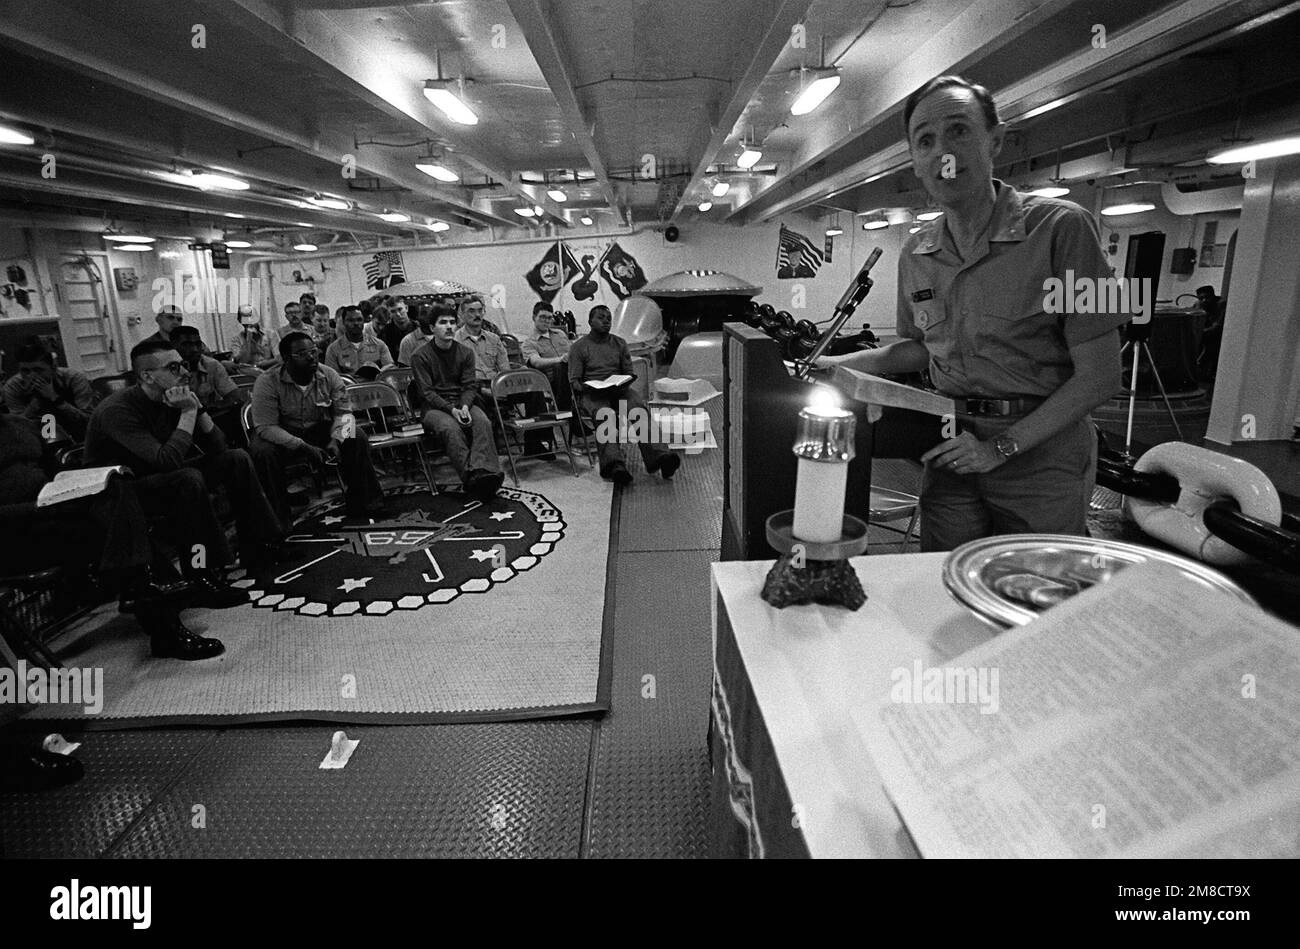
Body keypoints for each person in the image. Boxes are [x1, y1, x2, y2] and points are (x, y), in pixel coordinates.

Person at [819, 74, 1125, 551]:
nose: (943, 152)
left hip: (1041, 461)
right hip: (950, 448)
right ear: (916, 164)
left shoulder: (1066, 230)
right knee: (944, 580)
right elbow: (919, 349)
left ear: (995, 140)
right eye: (925, 141)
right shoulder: (916, 253)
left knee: (1030, 598)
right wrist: (837, 366)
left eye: (958, 131)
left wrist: (1000, 448)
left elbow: (1102, 376)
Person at [0, 413, 222, 661]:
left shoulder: (21, 424)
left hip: (53, 512)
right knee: (115, 525)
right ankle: (154, 601)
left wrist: (74, 482)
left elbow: (56, 468)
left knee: (115, 489)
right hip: (15, 534)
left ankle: (148, 598)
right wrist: (40, 507)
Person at [84, 339, 283, 600]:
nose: (186, 373)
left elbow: (219, 449)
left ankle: (259, 543)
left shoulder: (174, 397)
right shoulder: (118, 410)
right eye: (174, 368)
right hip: (123, 493)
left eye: (184, 365)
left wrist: (197, 409)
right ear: (147, 376)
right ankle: (201, 574)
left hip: (162, 476)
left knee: (236, 459)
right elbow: (166, 461)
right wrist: (188, 413)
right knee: (188, 479)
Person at [248, 331, 385, 522]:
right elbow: (266, 427)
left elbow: (344, 414)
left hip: (317, 427)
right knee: (263, 451)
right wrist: (303, 446)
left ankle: (367, 502)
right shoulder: (267, 381)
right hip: (281, 431)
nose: (312, 357)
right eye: (303, 354)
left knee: (356, 435)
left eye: (313, 351)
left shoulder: (329, 375)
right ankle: (278, 518)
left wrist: (336, 440)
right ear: (286, 359)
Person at [569, 304, 680, 484]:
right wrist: (592, 386)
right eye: (601, 318)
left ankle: (661, 457)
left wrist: (623, 381)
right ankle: (614, 466)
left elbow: (628, 371)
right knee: (607, 415)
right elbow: (574, 381)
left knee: (638, 408)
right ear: (590, 322)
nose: (606, 321)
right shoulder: (579, 347)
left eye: (608, 318)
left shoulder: (619, 343)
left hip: (619, 390)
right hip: (593, 394)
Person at [410, 308, 505, 499]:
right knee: (450, 428)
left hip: (463, 402)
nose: (449, 327)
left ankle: (483, 471)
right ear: (432, 327)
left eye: (452, 322)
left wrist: (463, 406)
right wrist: (451, 410)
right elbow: (426, 392)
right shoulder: (420, 356)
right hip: (435, 407)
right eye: (443, 322)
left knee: (483, 422)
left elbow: (470, 385)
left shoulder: (465, 352)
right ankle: (470, 477)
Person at [2, 339, 97, 440]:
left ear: (53, 368)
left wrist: (55, 399)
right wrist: (36, 400)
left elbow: (89, 421)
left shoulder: (73, 378)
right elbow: (19, 427)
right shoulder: (13, 386)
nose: (32, 376)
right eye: (25, 371)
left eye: (38, 370)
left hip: (77, 433)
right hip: (37, 436)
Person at [454, 295, 510, 388]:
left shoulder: (494, 339)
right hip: (472, 387)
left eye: (480, 310)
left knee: (533, 392)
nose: (477, 315)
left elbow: (505, 368)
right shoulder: (455, 341)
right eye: (471, 311)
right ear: (462, 315)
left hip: (496, 384)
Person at [324, 307, 393, 378]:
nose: (356, 323)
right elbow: (332, 379)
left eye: (359, 320)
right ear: (344, 322)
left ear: (364, 321)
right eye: (351, 320)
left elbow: (389, 369)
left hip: (375, 387)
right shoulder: (333, 349)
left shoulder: (380, 345)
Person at [233, 305, 278, 370]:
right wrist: (248, 340)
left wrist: (261, 364)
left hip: (268, 369)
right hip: (247, 370)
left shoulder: (270, 334)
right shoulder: (237, 339)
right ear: (240, 320)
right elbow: (241, 361)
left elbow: (279, 358)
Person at [1195, 285, 1226, 380]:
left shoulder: (1221, 304)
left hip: (1217, 336)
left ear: (1213, 295)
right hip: (1204, 333)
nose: (1204, 300)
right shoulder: (1199, 304)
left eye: (1207, 297)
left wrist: (1200, 333)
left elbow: (1217, 327)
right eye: (1201, 298)